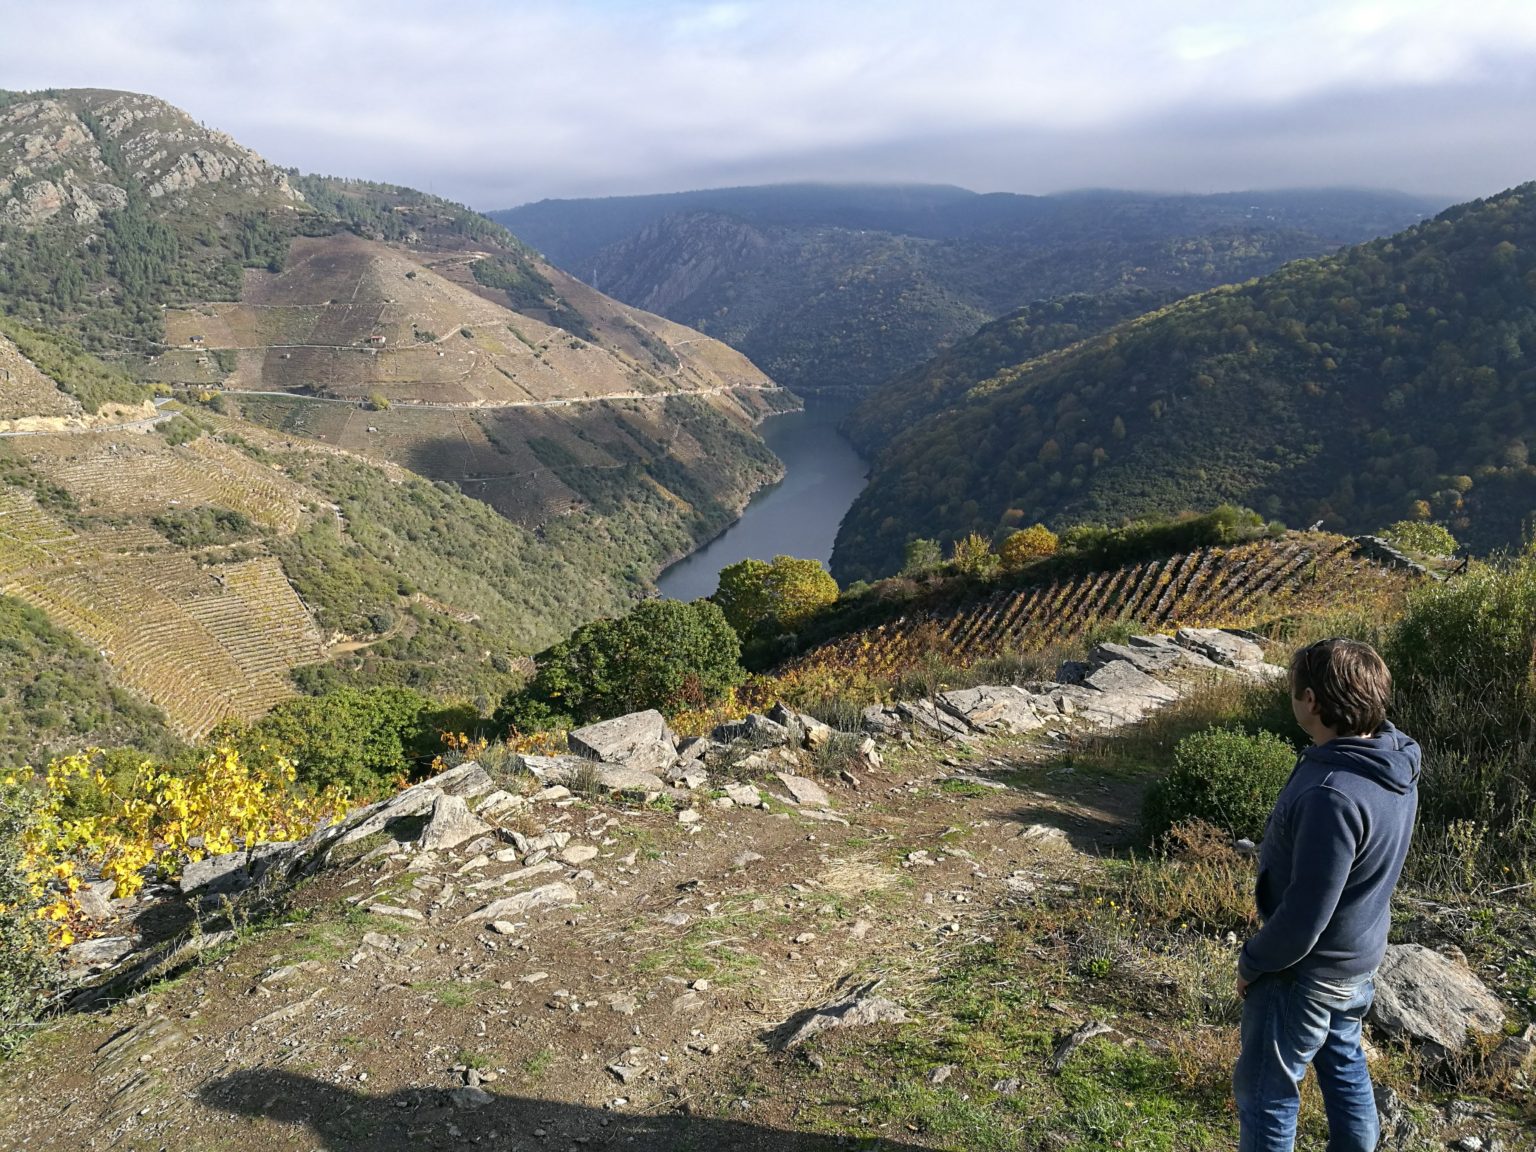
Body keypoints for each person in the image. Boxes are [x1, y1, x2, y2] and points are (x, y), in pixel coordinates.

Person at [1234, 638, 1420, 1152]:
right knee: (1343, 1065)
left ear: (1311, 701)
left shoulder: (1332, 792)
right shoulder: (1391, 760)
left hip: (1304, 973)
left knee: (1267, 1092)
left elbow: (1305, 915)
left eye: (1295, 689)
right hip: (1355, 960)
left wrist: (1254, 960)